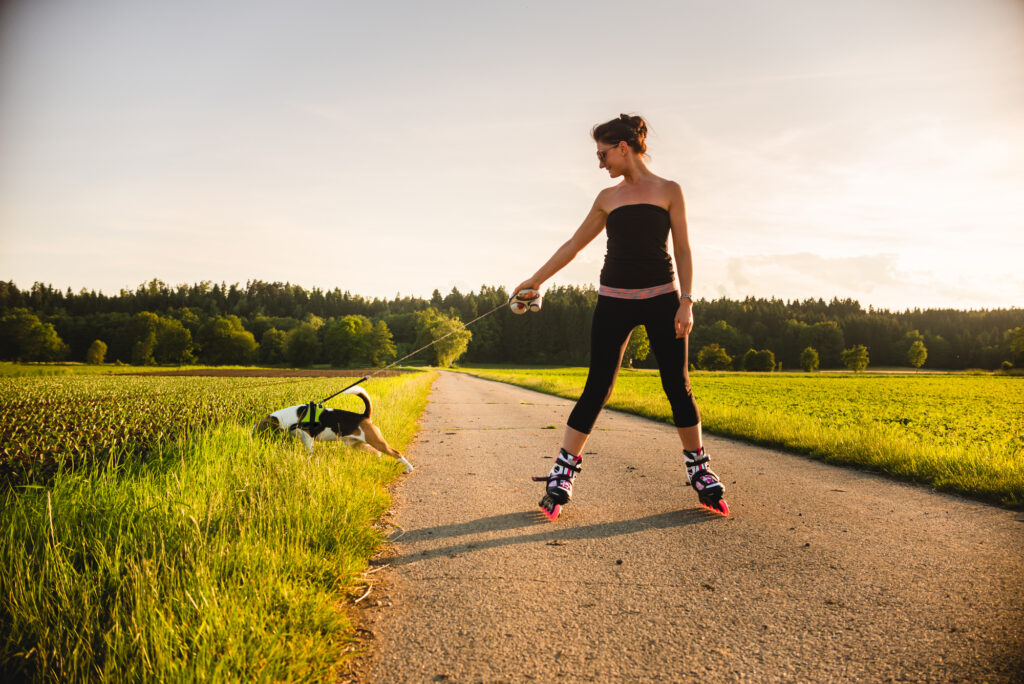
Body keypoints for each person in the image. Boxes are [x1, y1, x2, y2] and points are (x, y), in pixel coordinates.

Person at [514, 113, 728, 520]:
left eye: (603, 153)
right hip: (613, 300)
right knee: (598, 386)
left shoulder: (670, 191)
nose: (600, 163)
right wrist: (535, 280)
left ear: (623, 147)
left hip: (663, 298)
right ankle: (562, 473)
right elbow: (574, 244)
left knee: (677, 384)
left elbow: (683, 248)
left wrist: (687, 300)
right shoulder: (606, 198)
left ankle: (699, 470)